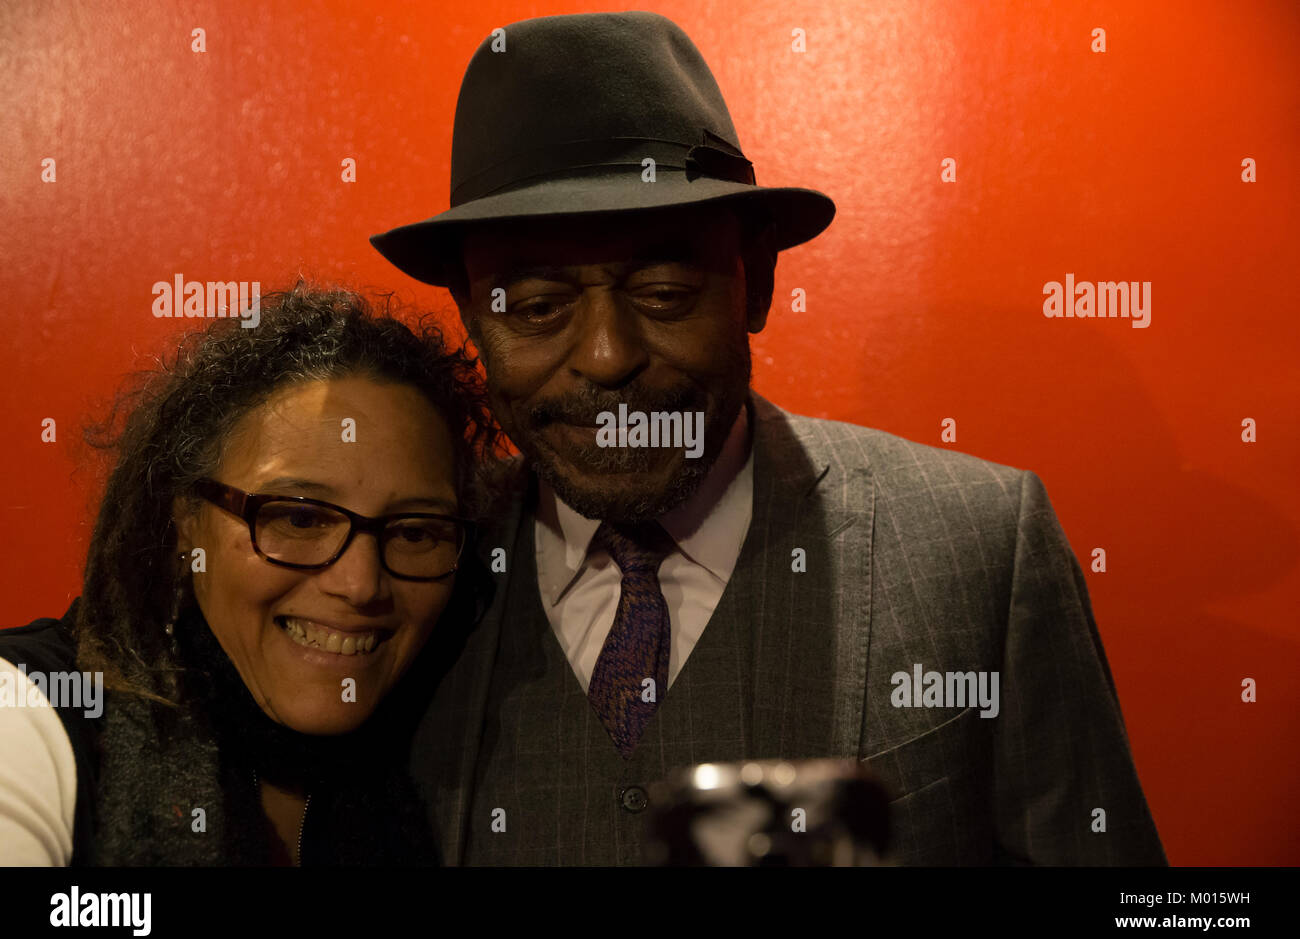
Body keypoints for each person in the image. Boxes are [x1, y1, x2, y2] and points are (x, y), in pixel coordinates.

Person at [370, 11, 1166, 865]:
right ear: (472, 324)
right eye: (535, 309)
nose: (606, 358)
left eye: (667, 292)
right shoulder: (404, 564)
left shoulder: (978, 549)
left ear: (757, 287)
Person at [0, 284, 497, 865]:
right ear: (185, 521)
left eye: (414, 531)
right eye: (300, 517)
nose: (360, 585)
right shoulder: (29, 715)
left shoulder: (455, 738)